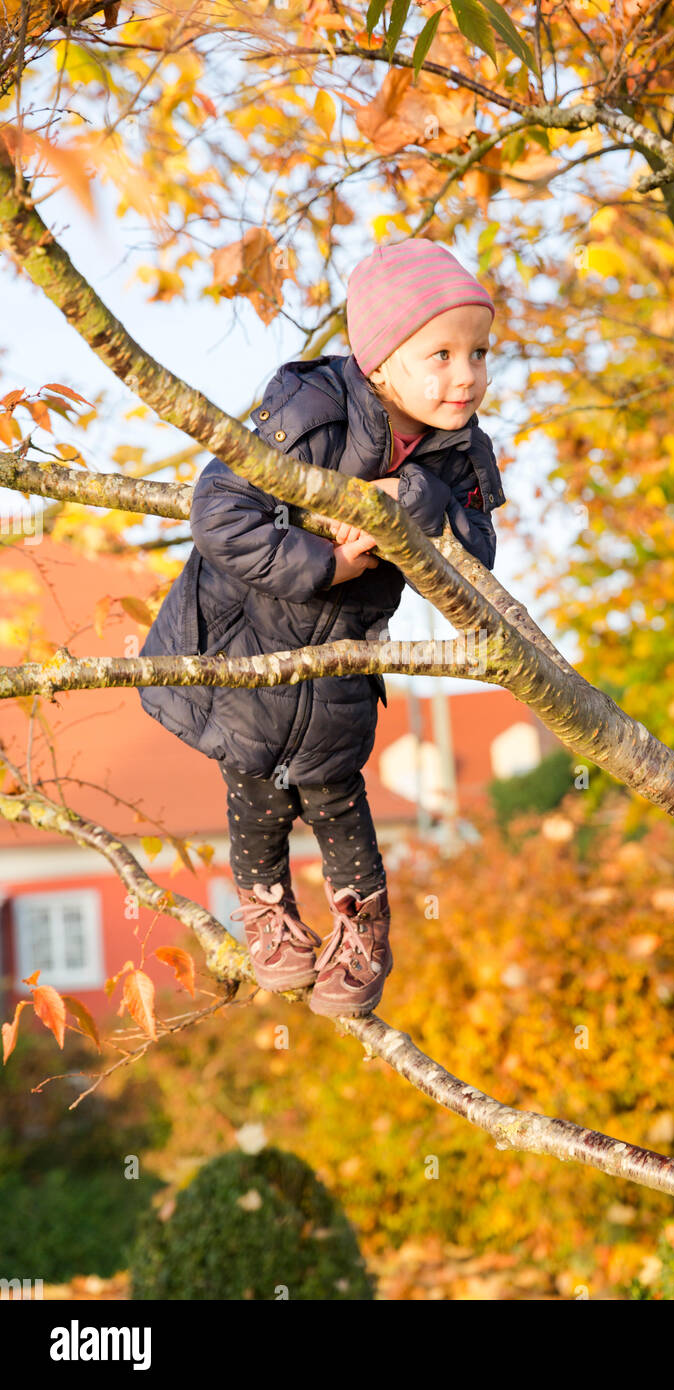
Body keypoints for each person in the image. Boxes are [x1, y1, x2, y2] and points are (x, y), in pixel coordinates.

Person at [137, 237, 506, 1017]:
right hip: (240, 641)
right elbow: (219, 513)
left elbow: (478, 558)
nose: (466, 375)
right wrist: (323, 563)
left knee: (336, 793)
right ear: (378, 361)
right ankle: (267, 913)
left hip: (340, 657)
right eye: (440, 354)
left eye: (479, 352)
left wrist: (422, 504)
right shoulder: (309, 410)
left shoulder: (461, 455)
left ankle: (364, 928)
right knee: (255, 784)